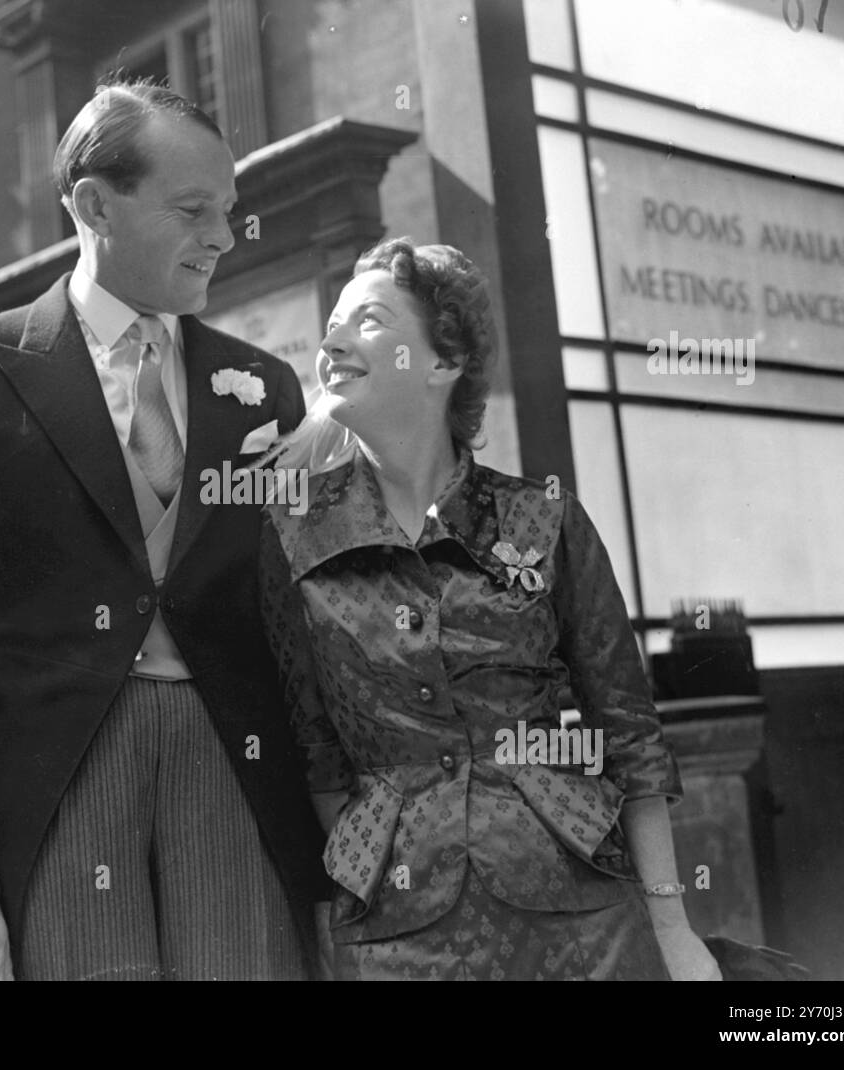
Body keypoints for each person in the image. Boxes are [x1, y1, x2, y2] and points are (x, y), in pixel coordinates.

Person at [0, 80, 329, 981]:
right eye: (193, 209)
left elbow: (304, 623)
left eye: (229, 212)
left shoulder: (264, 385)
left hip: (236, 785)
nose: (224, 237)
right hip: (55, 796)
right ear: (93, 205)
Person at [258, 237, 722, 981]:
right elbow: (317, 757)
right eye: (332, 324)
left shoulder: (543, 518)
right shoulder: (291, 539)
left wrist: (671, 923)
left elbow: (629, 737)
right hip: (391, 934)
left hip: (578, 914)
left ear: (443, 363)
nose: (333, 340)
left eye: (368, 320)